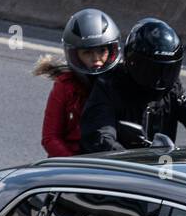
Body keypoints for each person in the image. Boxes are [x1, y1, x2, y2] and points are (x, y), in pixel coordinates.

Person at [80, 18, 186, 152]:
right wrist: (130, 161)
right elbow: (100, 137)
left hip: (162, 170)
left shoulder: (173, 90)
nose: (161, 78)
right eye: (153, 70)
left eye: (168, 70)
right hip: (116, 174)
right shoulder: (109, 86)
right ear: (132, 62)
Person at [35, 8, 121, 157]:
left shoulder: (121, 81)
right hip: (73, 162)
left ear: (111, 50)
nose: (96, 58)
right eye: (87, 52)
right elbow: (50, 137)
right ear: (75, 55)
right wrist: (74, 163)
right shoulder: (64, 85)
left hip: (113, 158)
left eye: (102, 51)